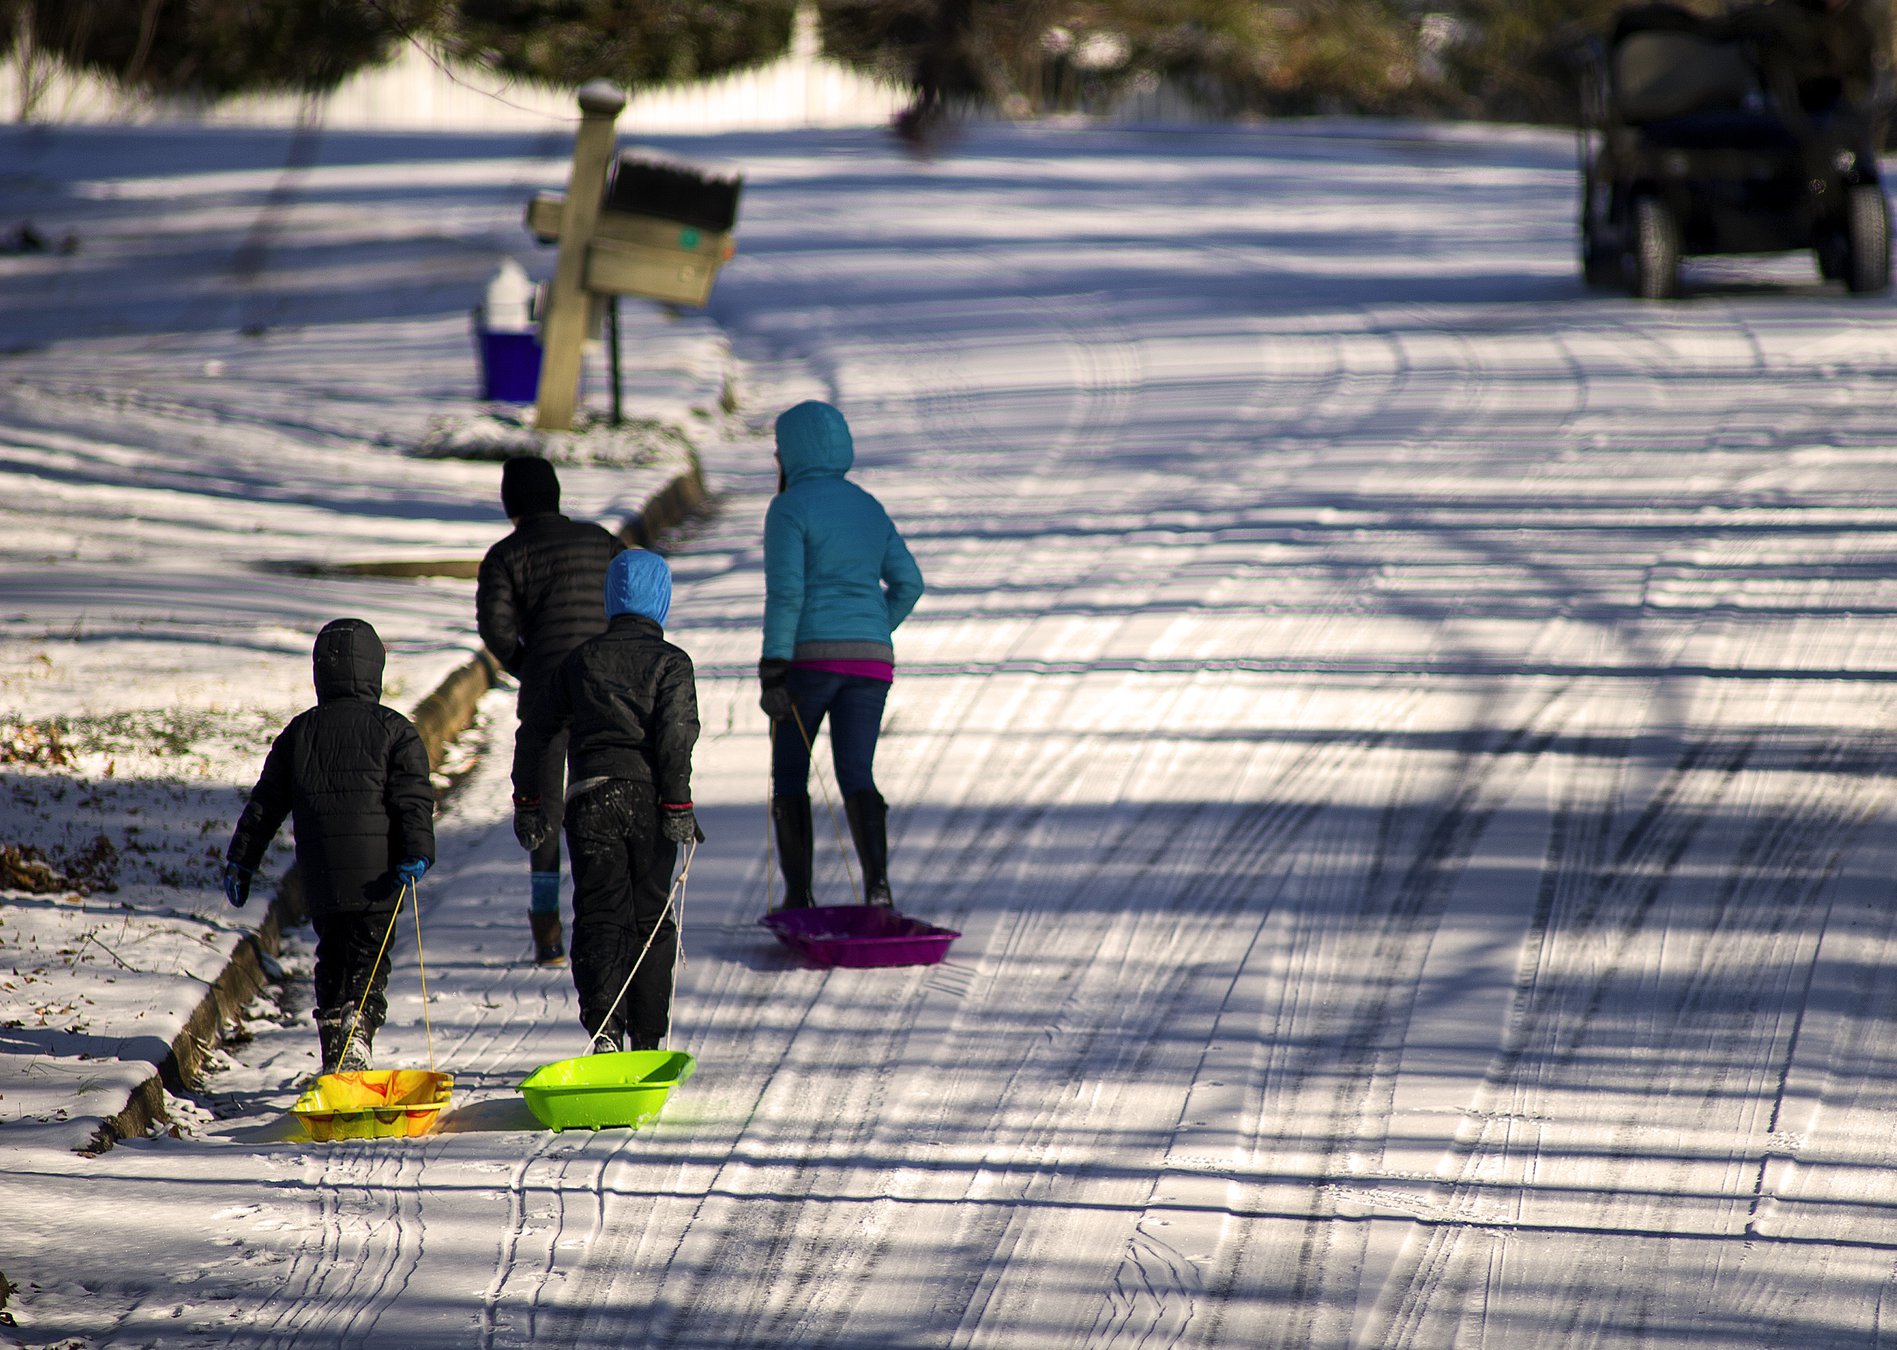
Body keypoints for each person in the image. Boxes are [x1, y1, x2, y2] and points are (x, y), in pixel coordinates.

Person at [222, 619, 435, 1075]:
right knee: (368, 957)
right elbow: (412, 800)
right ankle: (355, 1032)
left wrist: (242, 859)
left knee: (332, 955)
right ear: (375, 670)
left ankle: (335, 1042)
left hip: (320, 875)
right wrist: (416, 851)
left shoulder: (300, 733)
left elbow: (266, 803)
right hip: (380, 876)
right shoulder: (396, 731)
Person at [514, 549, 700, 1054]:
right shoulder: (671, 663)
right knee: (651, 917)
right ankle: (647, 1036)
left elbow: (537, 731)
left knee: (600, 914)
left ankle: (605, 1028)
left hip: (591, 798)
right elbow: (675, 738)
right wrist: (679, 806)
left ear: (610, 598)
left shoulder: (581, 660)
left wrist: (530, 799)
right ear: (661, 599)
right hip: (650, 802)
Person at [758, 400, 924, 908]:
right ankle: (878, 888)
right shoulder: (868, 506)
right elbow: (909, 584)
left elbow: (786, 592)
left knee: (790, 775)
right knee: (857, 773)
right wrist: (873, 629)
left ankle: (799, 898)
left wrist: (774, 667)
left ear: (790, 452)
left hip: (807, 662)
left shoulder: (789, 507)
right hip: (871, 663)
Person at [477, 455, 625, 967]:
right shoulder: (603, 541)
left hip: (546, 692)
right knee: (601, 793)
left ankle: (549, 933)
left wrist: (531, 665)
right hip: (604, 687)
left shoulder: (505, 556)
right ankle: (604, 920)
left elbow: (495, 629)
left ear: (509, 502)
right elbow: (629, 600)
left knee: (544, 809)